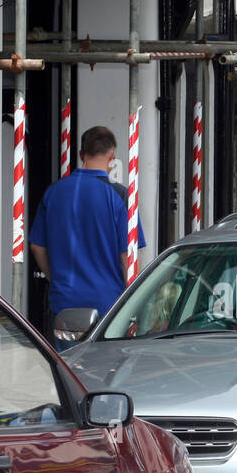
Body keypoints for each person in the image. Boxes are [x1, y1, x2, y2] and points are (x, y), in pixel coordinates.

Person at [29, 126, 146, 341]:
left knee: (67, 368)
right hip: (108, 304)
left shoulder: (54, 192)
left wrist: (55, 278)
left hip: (65, 301)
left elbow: (37, 246)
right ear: (112, 156)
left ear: (82, 155)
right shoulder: (121, 196)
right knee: (107, 369)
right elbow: (126, 256)